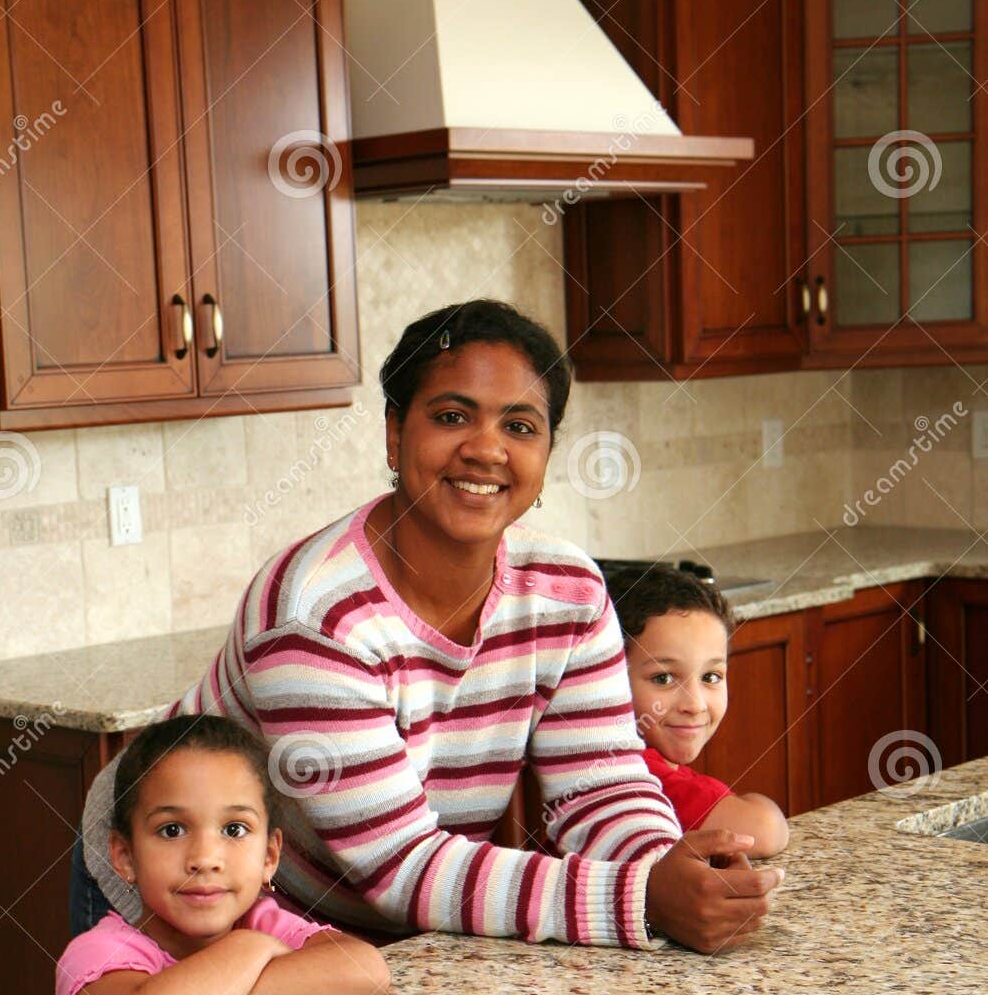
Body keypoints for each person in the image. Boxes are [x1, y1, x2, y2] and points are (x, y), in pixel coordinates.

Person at [73, 299, 782, 956]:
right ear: (394, 432)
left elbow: (599, 787)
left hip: (380, 922)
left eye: (519, 426)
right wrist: (643, 900)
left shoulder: (570, 593)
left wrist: (672, 869)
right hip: (186, 889)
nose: (486, 449)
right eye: (451, 416)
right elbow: (399, 864)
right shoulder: (315, 615)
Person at [31, 716, 389, 995]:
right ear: (125, 857)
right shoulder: (96, 953)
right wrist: (252, 948)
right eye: (172, 830)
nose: (204, 859)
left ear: (269, 857)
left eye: (234, 829)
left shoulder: (261, 921)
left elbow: (366, 971)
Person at [604, 563, 789, 856]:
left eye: (710, 677)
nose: (695, 704)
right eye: (663, 678)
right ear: (609, 679)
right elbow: (764, 830)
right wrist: (758, 802)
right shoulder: (639, 774)